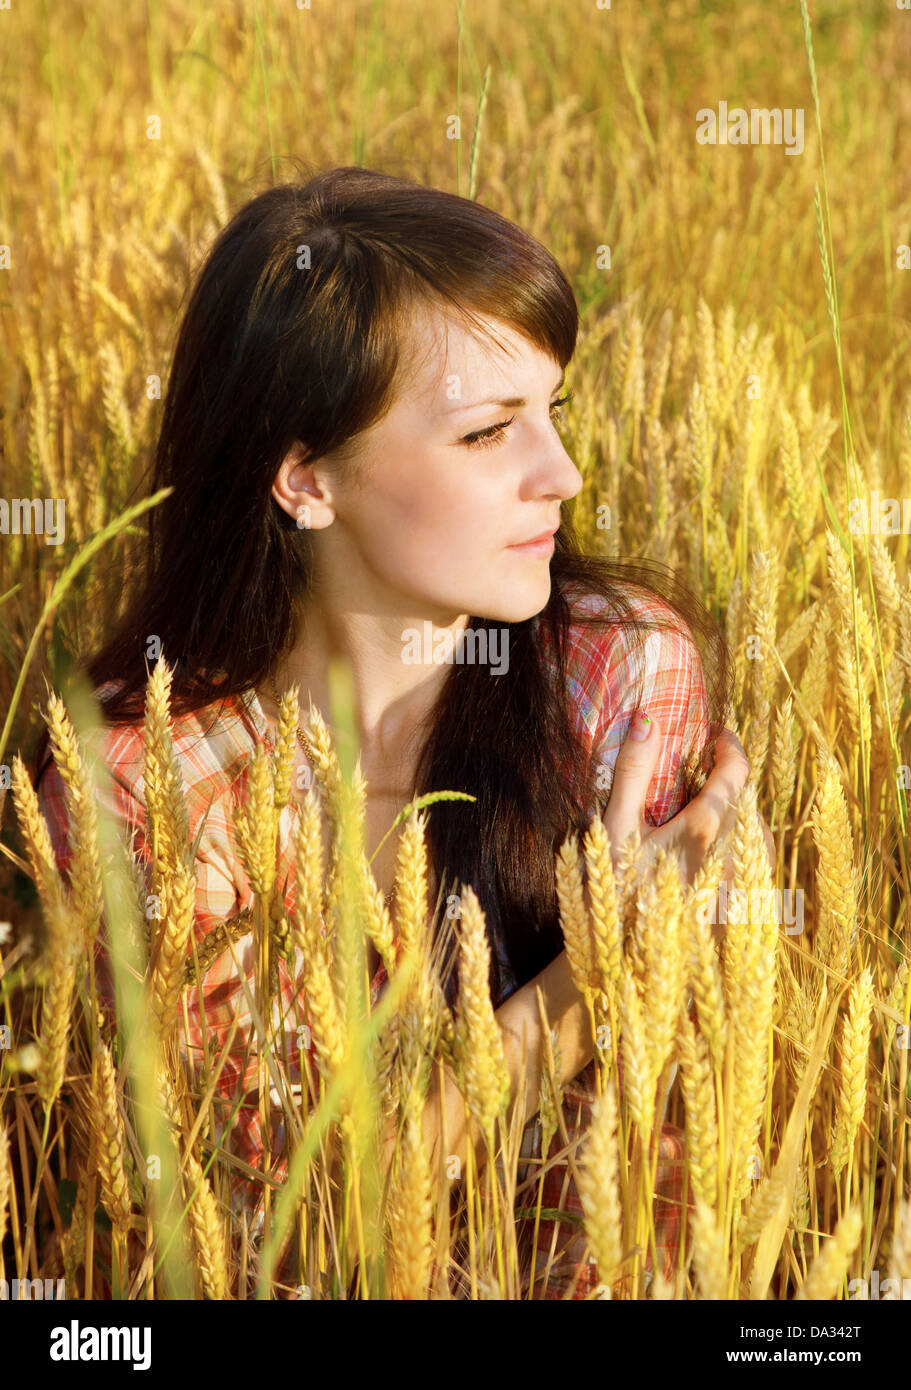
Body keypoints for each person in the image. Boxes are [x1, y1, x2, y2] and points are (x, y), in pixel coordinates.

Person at [33, 166, 772, 1298]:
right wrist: (590, 976)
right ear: (306, 479)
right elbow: (298, 1235)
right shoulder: (151, 786)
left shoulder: (613, 678)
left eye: (550, 412)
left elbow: (682, 1142)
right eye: (486, 434)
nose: (561, 476)